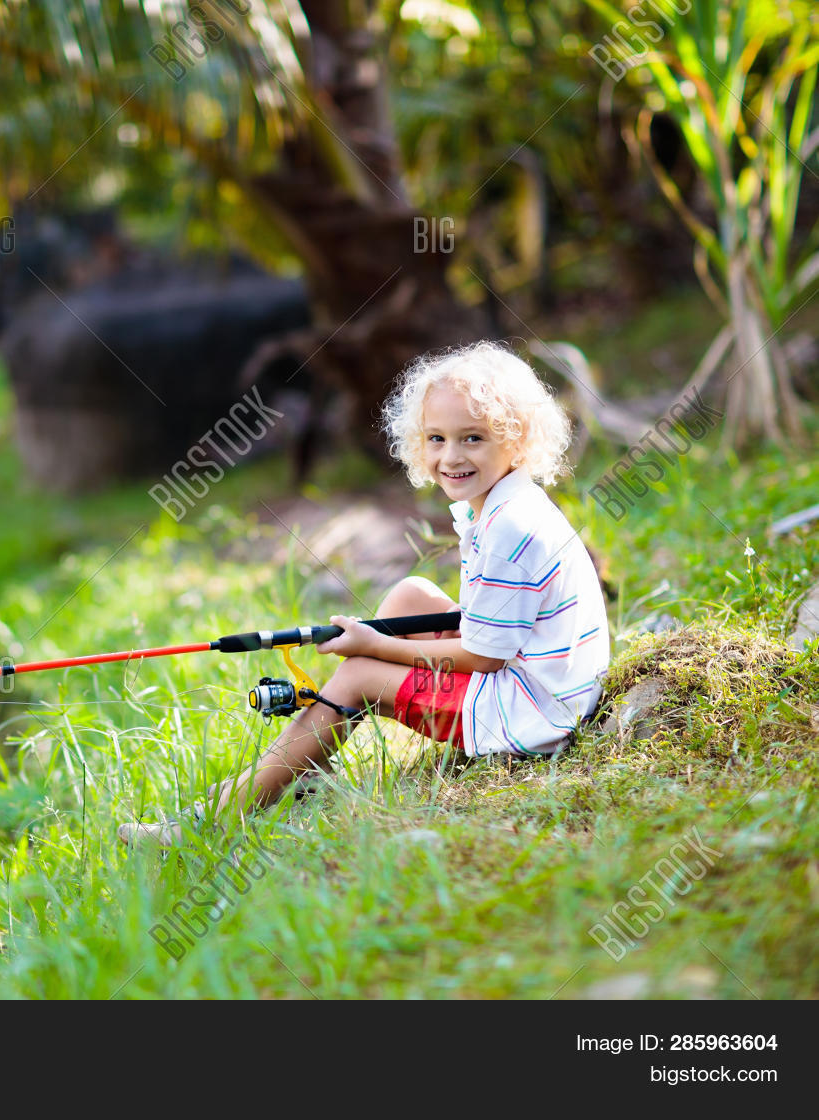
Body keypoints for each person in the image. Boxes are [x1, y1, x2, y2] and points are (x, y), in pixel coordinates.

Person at [119, 340, 612, 846]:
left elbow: (484, 656)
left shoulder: (510, 528)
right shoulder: (497, 504)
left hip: (534, 713)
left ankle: (219, 817)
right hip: (541, 678)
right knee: (409, 596)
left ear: (517, 439)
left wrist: (373, 648)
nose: (450, 456)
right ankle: (309, 756)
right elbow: (491, 626)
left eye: (473, 439)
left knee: (357, 674)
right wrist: (380, 643)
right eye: (437, 438)